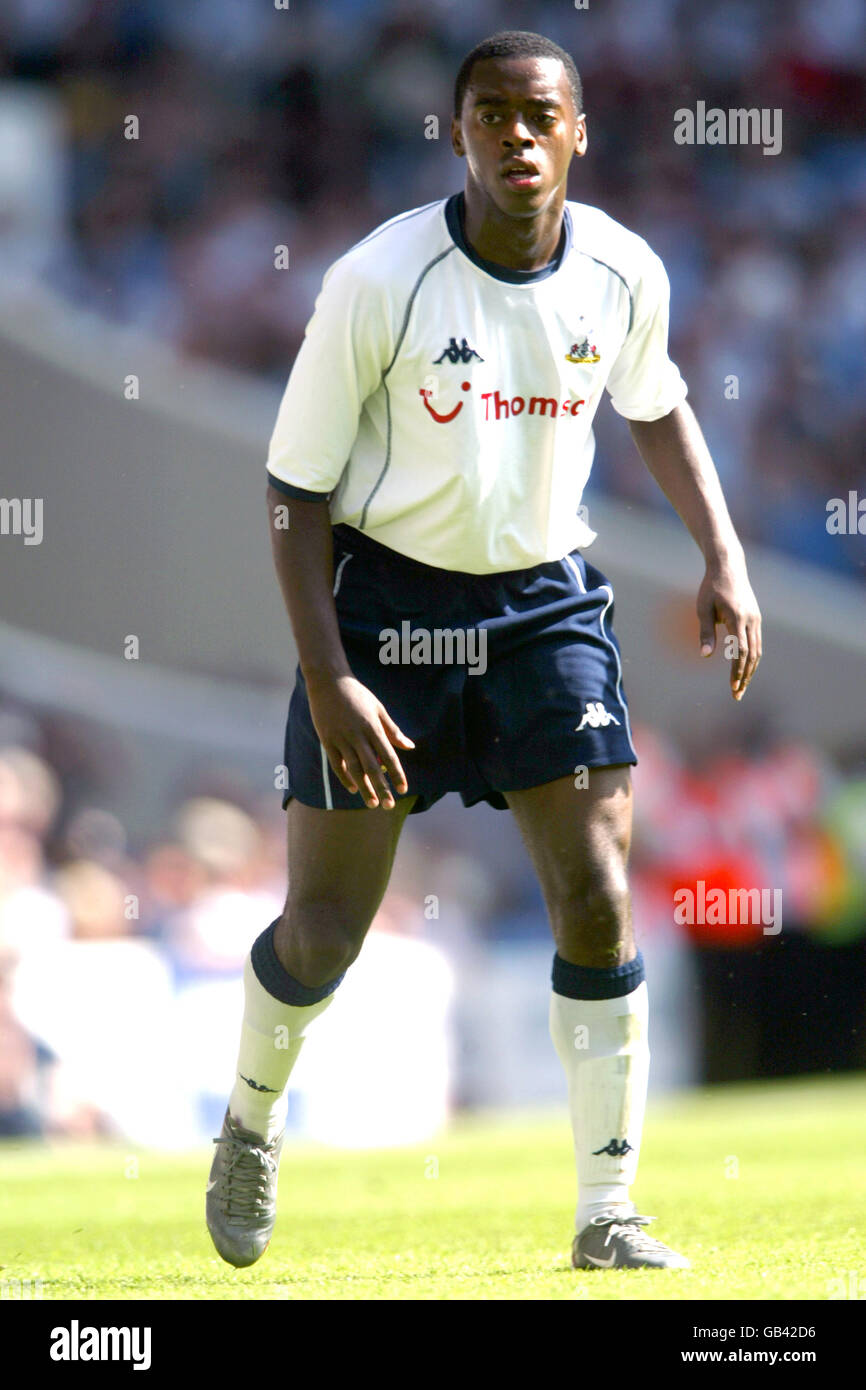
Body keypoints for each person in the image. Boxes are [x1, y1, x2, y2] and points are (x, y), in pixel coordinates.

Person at [206, 29, 761, 1273]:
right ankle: (248, 1122)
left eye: (538, 114)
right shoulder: (377, 280)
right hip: (381, 612)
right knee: (323, 931)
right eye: (491, 114)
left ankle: (607, 1211)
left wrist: (722, 556)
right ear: (454, 133)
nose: (516, 134)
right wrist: (328, 675)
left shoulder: (621, 270)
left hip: (543, 606)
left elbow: (657, 402)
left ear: (577, 133)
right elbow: (294, 490)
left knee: (597, 894)